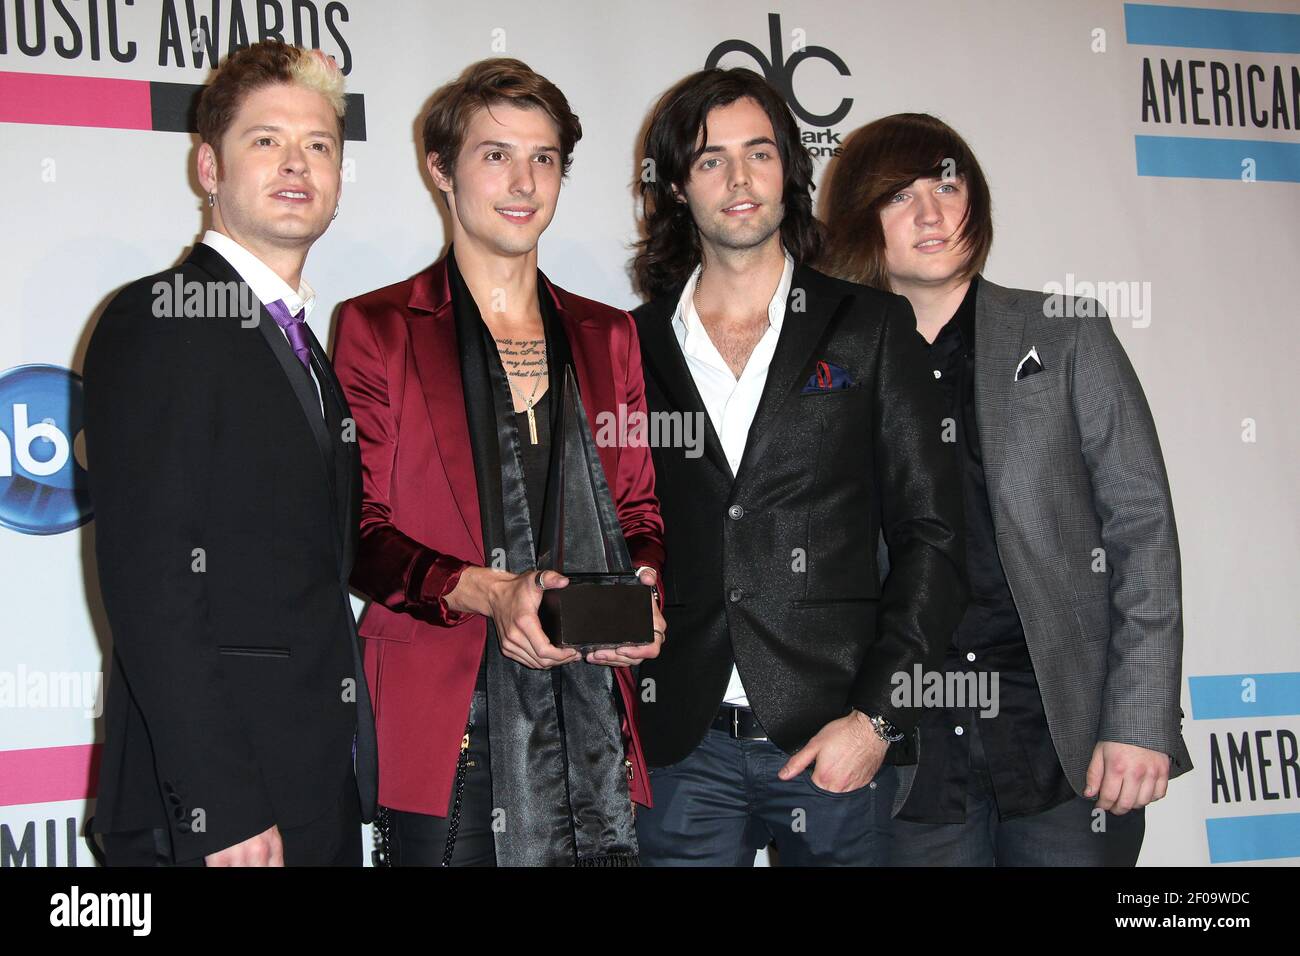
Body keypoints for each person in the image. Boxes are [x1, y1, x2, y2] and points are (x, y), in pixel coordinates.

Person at [821, 112, 1191, 866]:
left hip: (1067, 741)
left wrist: (1141, 716)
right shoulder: (830, 369)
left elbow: (1142, 530)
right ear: (862, 221)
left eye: (946, 185)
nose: (929, 212)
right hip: (909, 757)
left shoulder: (1064, 333)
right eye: (898, 196)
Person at [627, 68, 966, 866]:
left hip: (837, 741)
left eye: (760, 154)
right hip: (682, 747)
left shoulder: (873, 328)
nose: (739, 180)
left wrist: (879, 718)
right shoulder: (628, 344)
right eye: (711, 160)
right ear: (677, 185)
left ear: (789, 169)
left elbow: (936, 540)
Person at [332, 58, 666, 867]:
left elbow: (638, 515)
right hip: (448, 727)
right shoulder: (379, 326)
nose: (523, 182)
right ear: (440, 169)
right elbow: (358, 532)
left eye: (544, 158)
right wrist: (489, 592)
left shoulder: (605, 333)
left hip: (588, 714)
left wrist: (645, 594)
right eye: (495, 155)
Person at [83, 40, 376, 867]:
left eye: (319, 145)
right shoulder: (162, 317)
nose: (297, 163)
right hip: (222, 813)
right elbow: (152, 581)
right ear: (208, 166)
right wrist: (222, 807)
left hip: (310, 784)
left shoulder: (301, 345)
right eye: (265, 140)